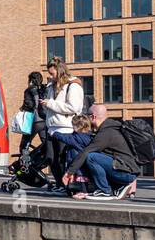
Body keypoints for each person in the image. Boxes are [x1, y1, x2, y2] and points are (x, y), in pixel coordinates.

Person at [63, 104, 138, 200]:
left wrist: (69, 172)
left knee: (91, 157)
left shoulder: (106, 133)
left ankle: (104, 190)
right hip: (125, 170)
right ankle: (117, 187)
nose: (86, 119)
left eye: (87, 115)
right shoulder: (110, 128)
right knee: (95, 156)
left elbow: (86, 152)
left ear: (93, 117)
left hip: (125, 173)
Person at [40, 58, 85, 192]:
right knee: (51, 158)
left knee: (62, 158)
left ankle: (67, 185)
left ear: (60, 72)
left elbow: (74, 107)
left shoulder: (73, 86)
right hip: (51, 127)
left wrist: (50, 104)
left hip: (66, 128)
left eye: (52, 74)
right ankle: (60, 183)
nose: (50, 76)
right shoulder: (50, 87)